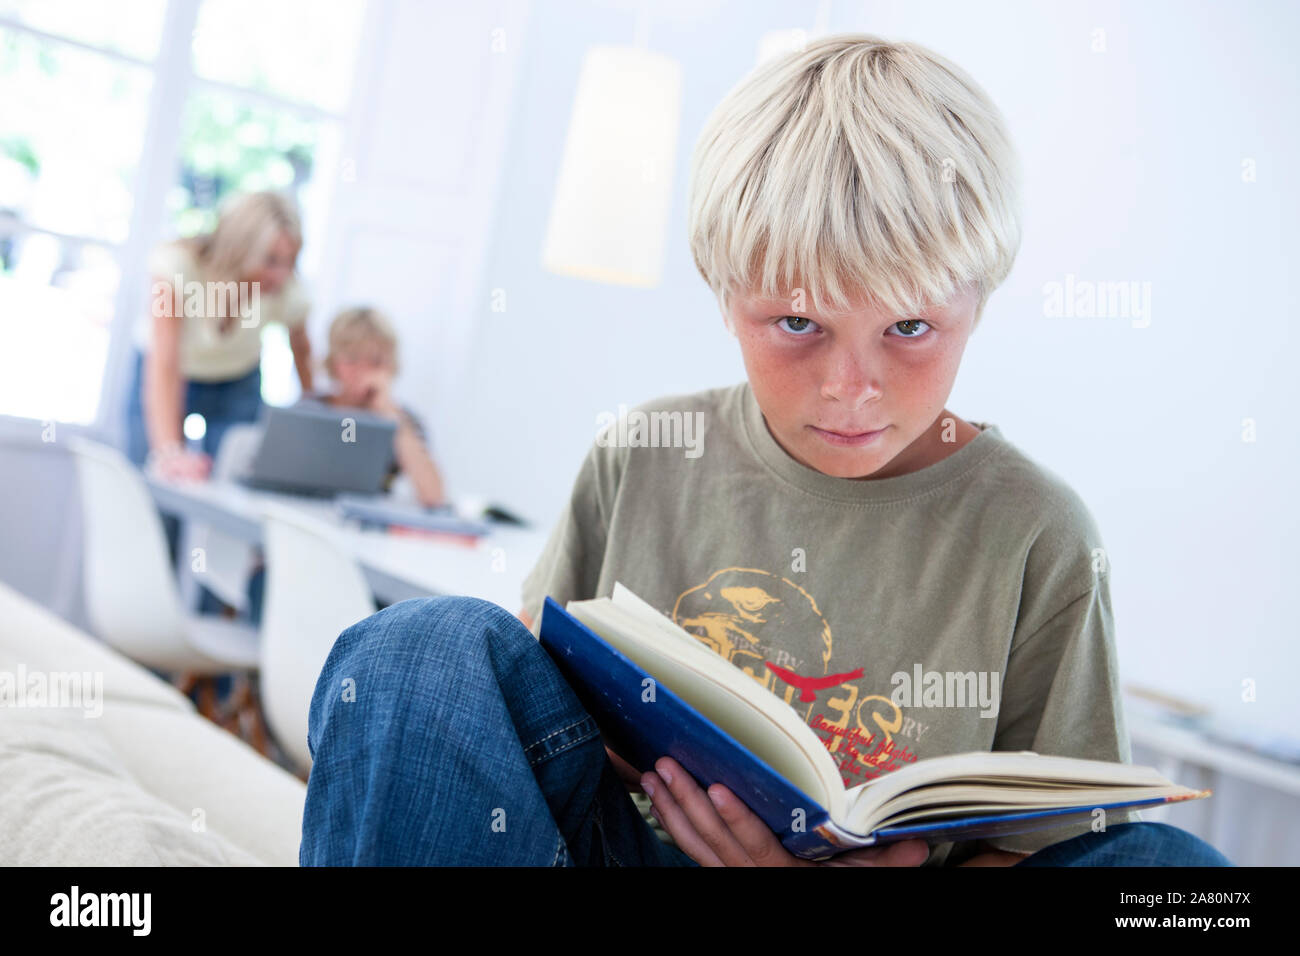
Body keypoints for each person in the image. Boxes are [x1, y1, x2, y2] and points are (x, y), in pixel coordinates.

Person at [298, 35, 1233, 867]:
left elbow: (1050, 840)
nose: (850, 387)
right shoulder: (643, 454)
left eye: (909, 326)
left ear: (978, 300)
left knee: (1169, 871)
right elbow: (537, 724)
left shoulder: (1039, 532)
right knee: (425, 646)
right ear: (721, 290)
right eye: (797, 322)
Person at [125, 190, 314, 479]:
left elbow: (301, 349)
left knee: (230, 480)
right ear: (240, 249)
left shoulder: (287, 291)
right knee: (156, 477)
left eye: (289, 262)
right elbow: (165, 361)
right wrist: (169, 452)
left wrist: (312, 413)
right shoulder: (175, 268)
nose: (281, 275)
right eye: (271, 260)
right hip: (170, 374)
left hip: (237, 380)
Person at [298, 306, 446, 508]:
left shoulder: (403, 421)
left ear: (390, 366)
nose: (362, 371)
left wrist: (390, 415)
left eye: (375, 362)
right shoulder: (309, 410)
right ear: (333, 362)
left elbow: (434, 496)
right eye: (351, 360)